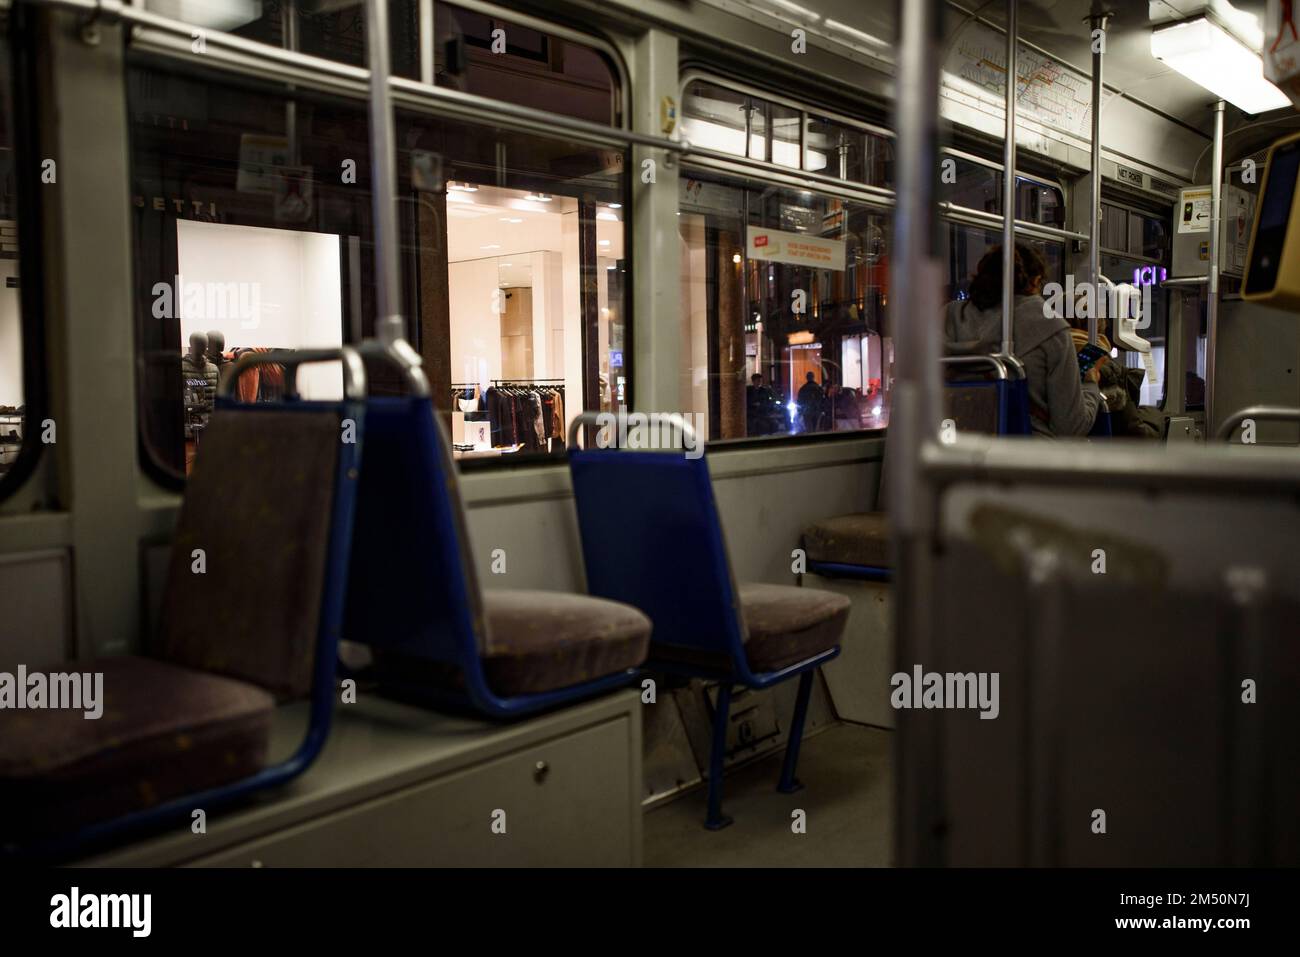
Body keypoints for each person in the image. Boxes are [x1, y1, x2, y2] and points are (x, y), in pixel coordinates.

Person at [944, 244, 1100, 437]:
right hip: (1026, 456)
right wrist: (1090, 386)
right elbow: (1071, 426)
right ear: (1035, 281)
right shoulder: (1051, 328)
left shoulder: (948, 319)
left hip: (953, 449)